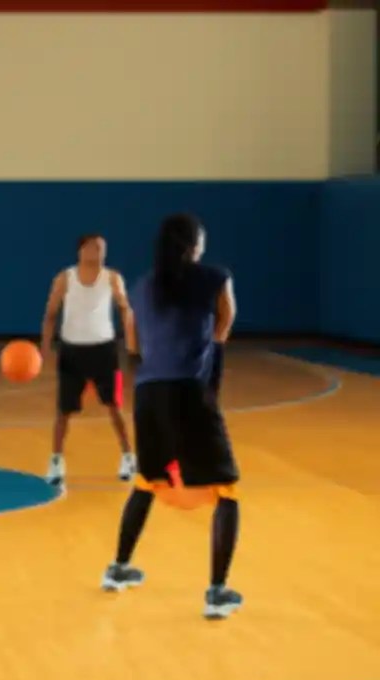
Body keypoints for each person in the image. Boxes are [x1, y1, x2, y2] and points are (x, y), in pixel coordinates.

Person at [102, 213, 243, 621]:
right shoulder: (215, 277)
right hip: (188, 390)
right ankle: (217, 591)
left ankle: (118, 568)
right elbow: (225, 319)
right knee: (227, 490)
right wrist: (209, 352)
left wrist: (151, 369)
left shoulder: (143, 286)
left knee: (148, 480)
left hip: (149, 391)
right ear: (194, 244)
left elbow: (131, 338)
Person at [40, 234, 136, 489]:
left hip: (105, 352)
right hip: (72, 352)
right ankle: (56, 461)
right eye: (93, 247)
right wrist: (45, 348)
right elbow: (50, 314)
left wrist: (131, 343)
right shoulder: (65, 278)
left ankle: (128, 457)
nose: (98, 251)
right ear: (81, 251)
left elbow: (125, 309)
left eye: (102, 248)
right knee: (63, 411)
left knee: (115, 406)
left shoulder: (113, 278)